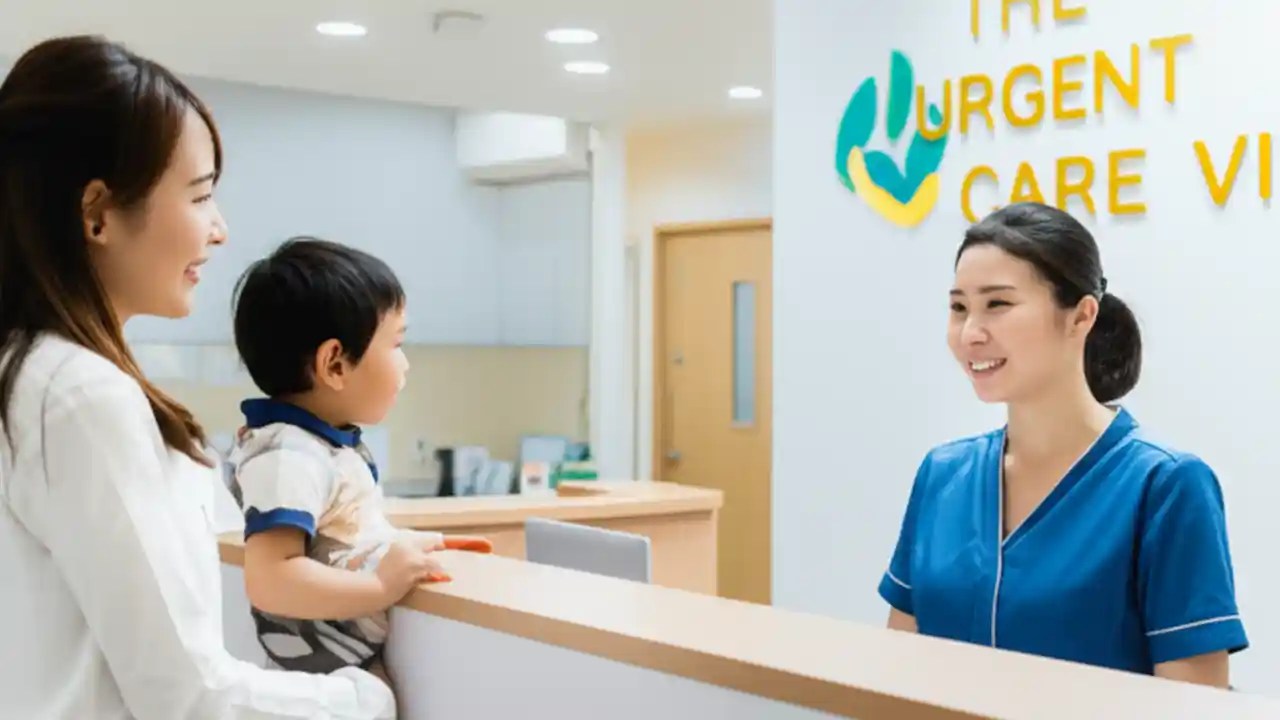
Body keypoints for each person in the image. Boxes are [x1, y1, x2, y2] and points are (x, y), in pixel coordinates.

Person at [0, 35, 402, 718]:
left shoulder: (29, 370)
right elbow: (186, 694)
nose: (218, 230)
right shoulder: (80, 395)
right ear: (97, 213)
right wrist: (365, 700)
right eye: (198, 197)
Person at [879, 202, 1247, 687]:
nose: (971, 333)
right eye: (959, 308)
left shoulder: (1166, 487)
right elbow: (896, 672)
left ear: (1080, 317)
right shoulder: (942, 475)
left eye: (998, 304)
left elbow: (1197, 705)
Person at [228, 238, 492, 678]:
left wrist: (396, 545)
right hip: (321, 686)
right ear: (334, 364)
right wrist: (380, 584)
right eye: (396, 344)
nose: (405, 364)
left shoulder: (322, 446)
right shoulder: (288, 456)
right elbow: (270, 579)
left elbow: (334, 535)